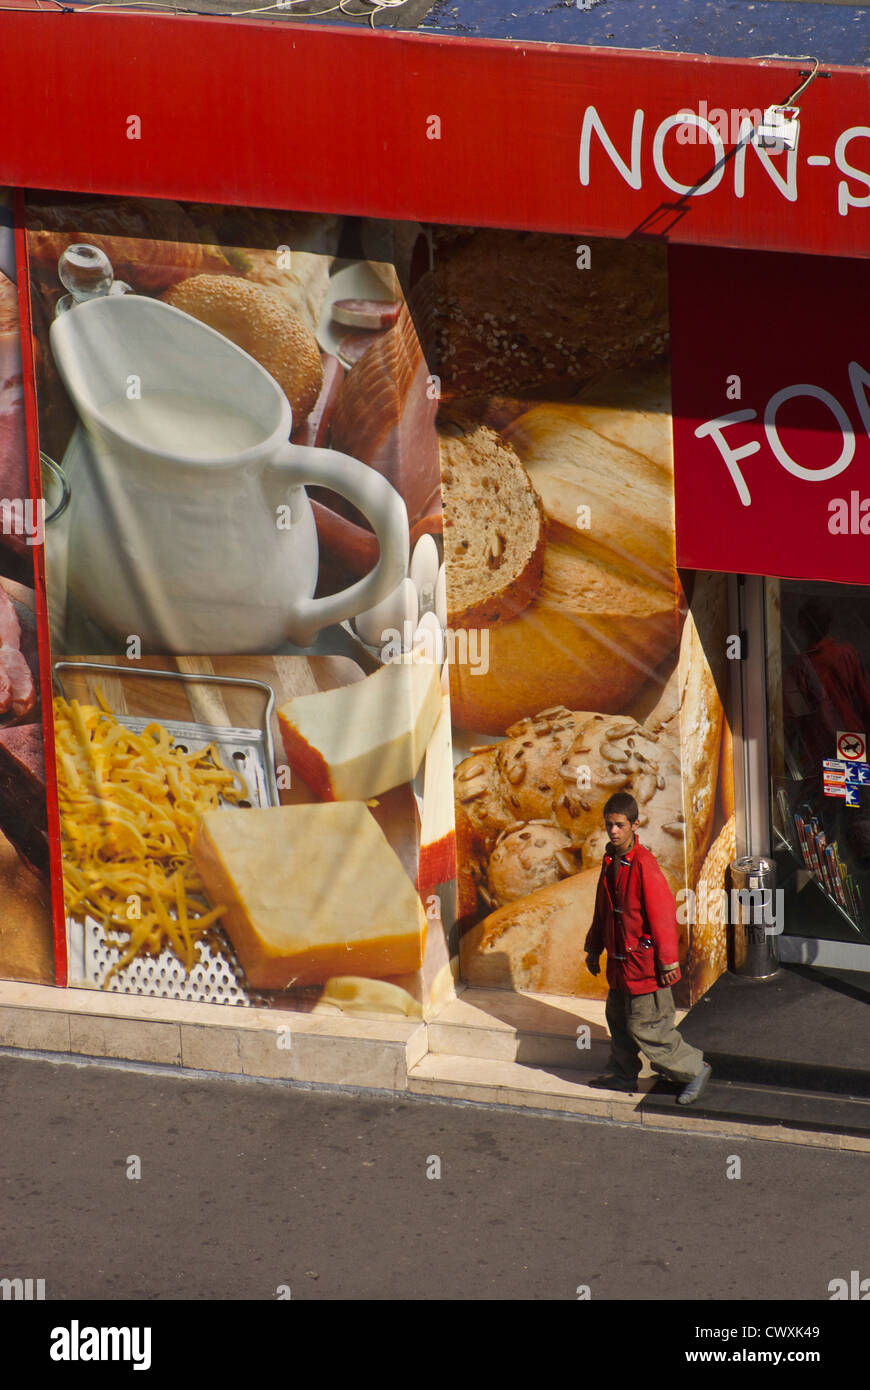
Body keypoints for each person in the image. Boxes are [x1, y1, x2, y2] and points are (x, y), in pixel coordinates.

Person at [584, 791, 711, 1105]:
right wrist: (593, 947)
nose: (613, 831)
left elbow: (663, 917)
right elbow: (603, 909)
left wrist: (668, 963)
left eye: (619, 825)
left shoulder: (644, 864)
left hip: (644, 966)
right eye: (609, 825)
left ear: (634, 825)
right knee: (617, 1019)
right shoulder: (611, 860)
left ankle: (694, 1069)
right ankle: (623, 1073)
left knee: (648, 1027)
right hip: (619, 965)